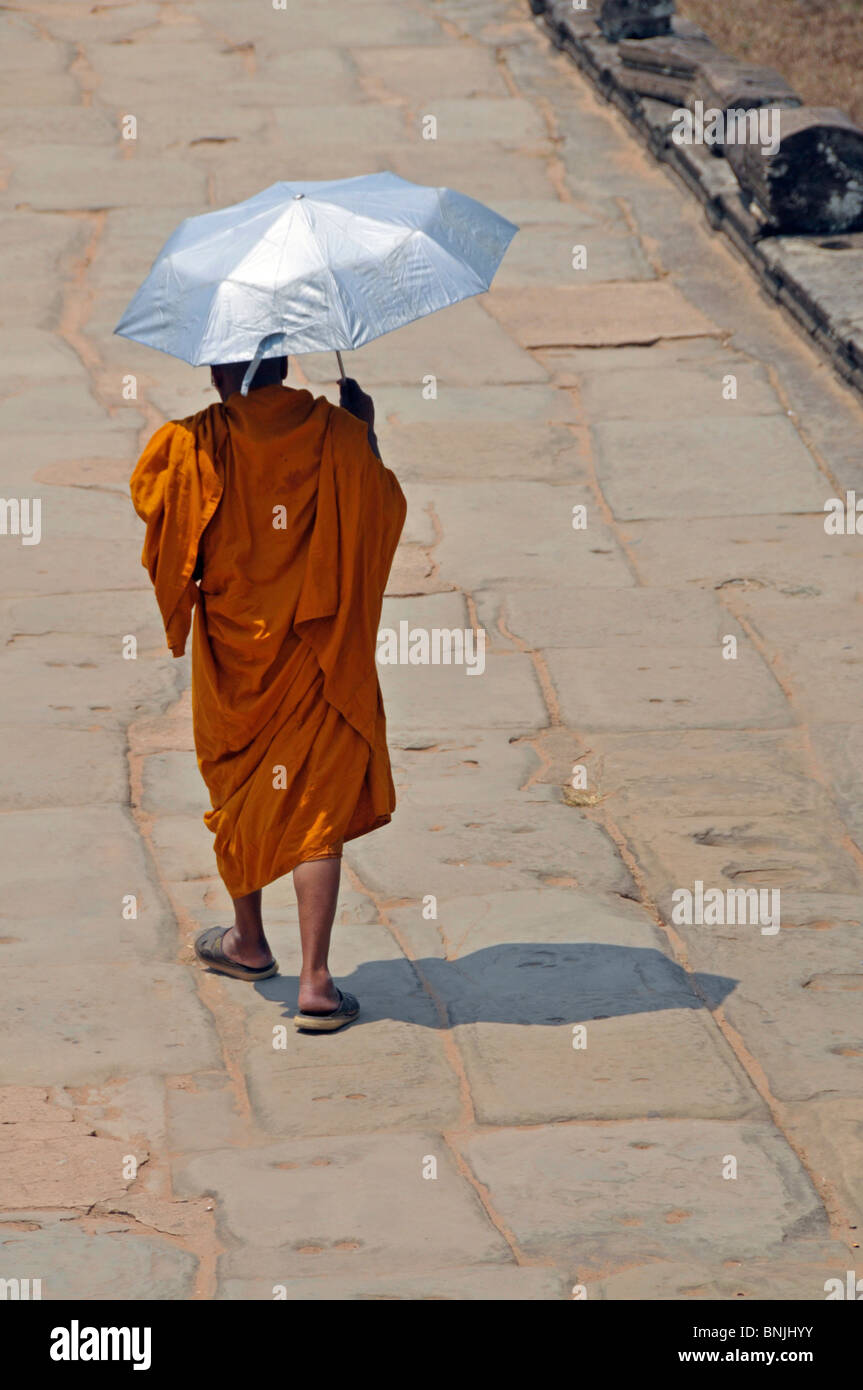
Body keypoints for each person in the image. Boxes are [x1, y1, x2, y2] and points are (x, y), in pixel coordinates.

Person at [130, 356, 406, 1032]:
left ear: (223, 372)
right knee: (312, 803)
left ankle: (248, 941)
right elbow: (380, 511)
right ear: (284, 362)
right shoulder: (336, 435)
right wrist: (364, 432)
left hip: (235, 656)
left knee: (238, 784)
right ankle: (316, 981)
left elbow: (156, 513)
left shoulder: (190, 442)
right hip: (318, 655)